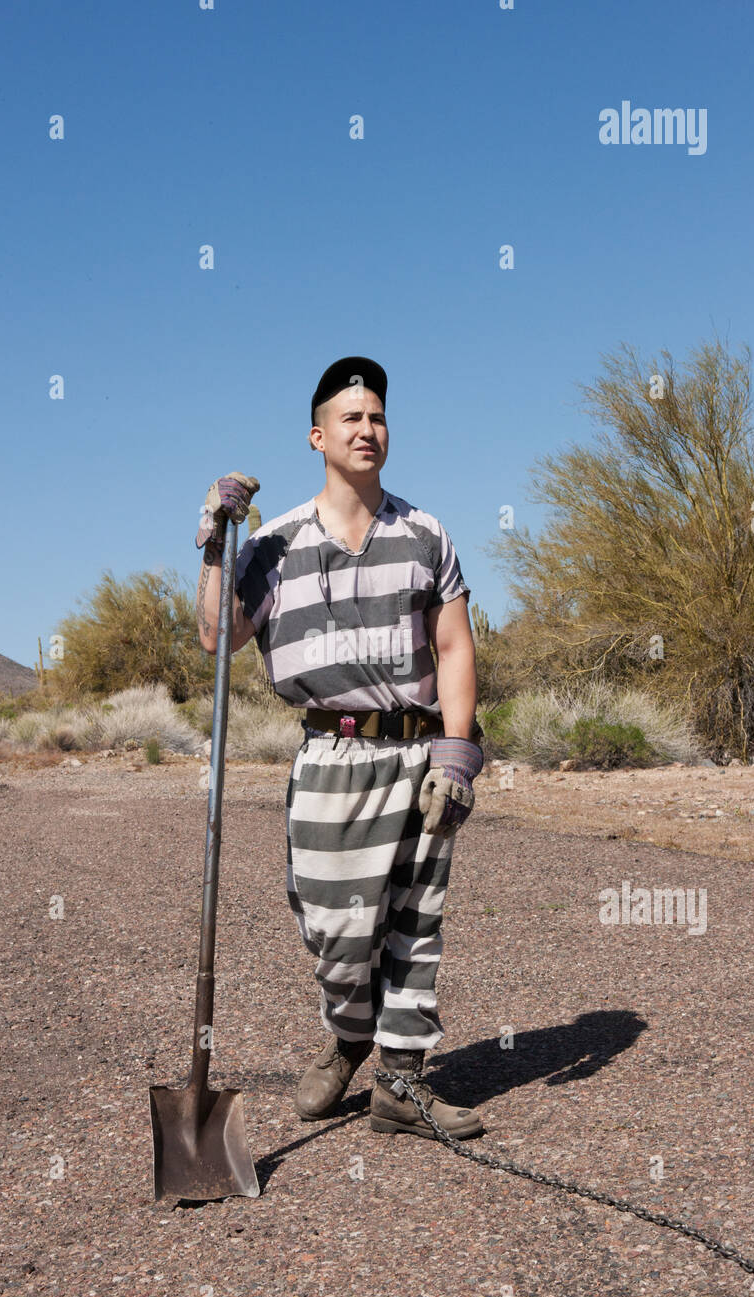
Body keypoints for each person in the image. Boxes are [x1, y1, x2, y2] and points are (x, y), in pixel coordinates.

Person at [194, 356, 484, 1139]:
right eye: (351, 418)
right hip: (330, 758)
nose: (368, 429)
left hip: (421, 755)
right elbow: (218, 637)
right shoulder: (276, 543)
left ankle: (400, 1080)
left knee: (416, 922)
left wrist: (459, 750)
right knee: (333, 928)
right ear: (318, 436)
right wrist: (219, 543)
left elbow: (453, 649)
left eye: (378, 416)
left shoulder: (426, 535)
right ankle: (351, 1034)